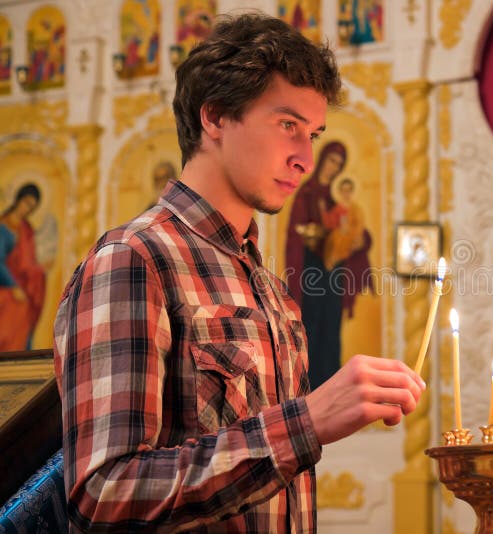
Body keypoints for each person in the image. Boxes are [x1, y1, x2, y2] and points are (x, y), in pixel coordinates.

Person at [53, 12, 423, 533]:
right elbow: (105, 494)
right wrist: (307, 423)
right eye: (288, 125)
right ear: (216, 117)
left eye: (314, 134)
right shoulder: (135, 259)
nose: (305, 159)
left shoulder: (271, 290)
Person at [286, 141, 372, 390]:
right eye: (331, 160)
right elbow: (296, 235)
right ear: (322, 159)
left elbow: (359, 231)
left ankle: (333, 386)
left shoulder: (337, 197)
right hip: (311, 270)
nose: (333, 167)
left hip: (334, 272)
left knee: (332, 325)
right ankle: (311, 389)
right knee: (312, 325)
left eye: (339, 163)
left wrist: (358, 239)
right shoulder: (307, 194)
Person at [0, 183, 46, 351]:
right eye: (26, 202)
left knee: (25, 305)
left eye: (32, 207)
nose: (27, 209)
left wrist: (38, 270)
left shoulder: (26, 229)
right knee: (18, 307)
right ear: (18, 199)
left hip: (22, 284)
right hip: (6, 284)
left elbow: (28, 263)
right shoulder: (3, 227)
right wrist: (13, 286)